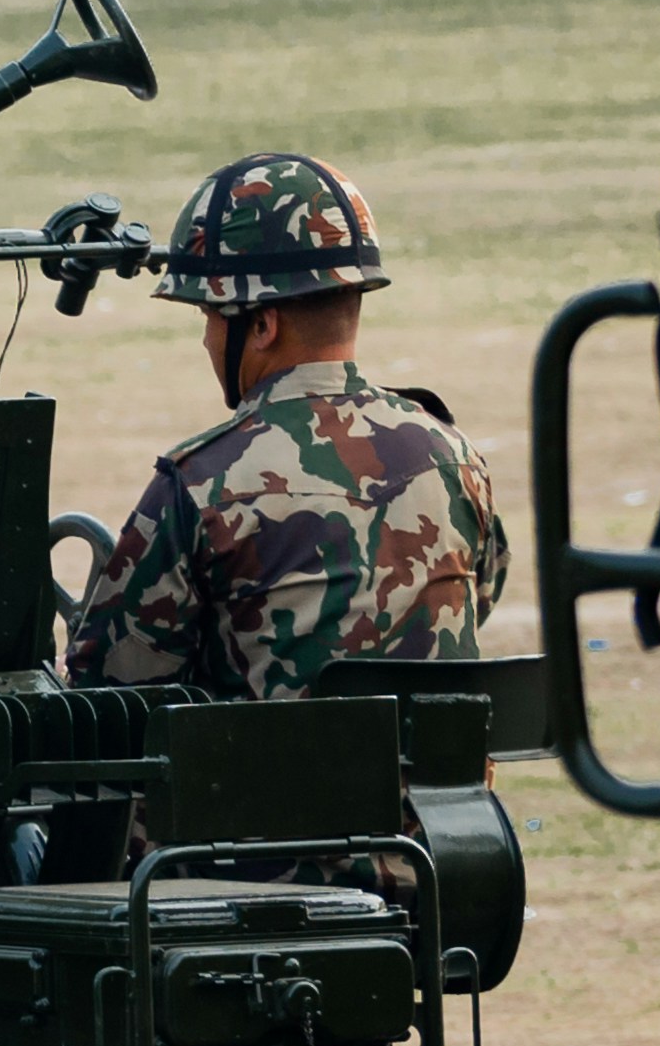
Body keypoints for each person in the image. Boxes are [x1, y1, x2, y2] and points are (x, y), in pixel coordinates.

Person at [69, 153, 507, 697]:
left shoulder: (202, 482)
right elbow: (478, 599)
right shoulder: (453, 456)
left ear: (261, 325)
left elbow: (112, 685)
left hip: (264, 783)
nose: (206, 339)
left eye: (209, 316)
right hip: (437, 782)